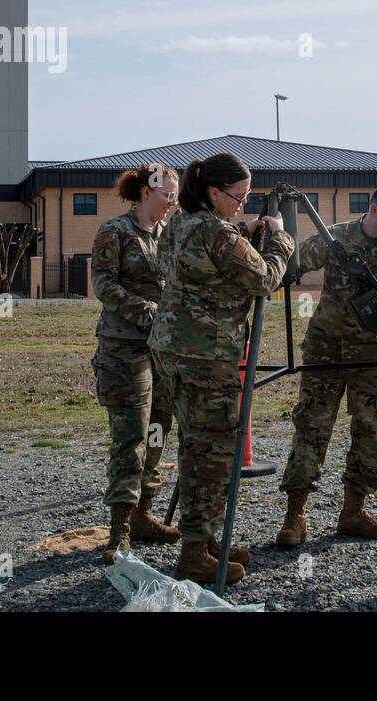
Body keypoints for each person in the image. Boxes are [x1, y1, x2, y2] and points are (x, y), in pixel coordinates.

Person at [148, 154, 293, 585]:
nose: (243, 205)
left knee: (197, 446)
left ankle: (209, 542)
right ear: (214, 192)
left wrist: (243, 234)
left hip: (172, 349)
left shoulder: (180, 222)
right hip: (206, 357)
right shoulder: (215, 231)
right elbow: (265, 278)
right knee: (211, 456)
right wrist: (280, 240)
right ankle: (195, 554)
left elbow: (182, 263)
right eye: (238, 197)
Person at [274, 180, 377, 547]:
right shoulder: (335, 238)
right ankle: (295, 517)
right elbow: (293, 265)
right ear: (374, 210)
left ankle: (354, 512)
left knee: (373, 430)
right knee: (312, 426)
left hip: (374, 352)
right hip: (326, 348)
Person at [91, 163, 180, 565]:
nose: (172, 203)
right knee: (131, 438)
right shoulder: (116, 231)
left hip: (161, 350)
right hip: (124, 349)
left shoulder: (168, 235)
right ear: (147, 192)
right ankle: (119, 530)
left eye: (176, 197)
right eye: (167, 195)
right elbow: (103, 285)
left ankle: (145, 513)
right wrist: (147, 311)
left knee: (160, 428)